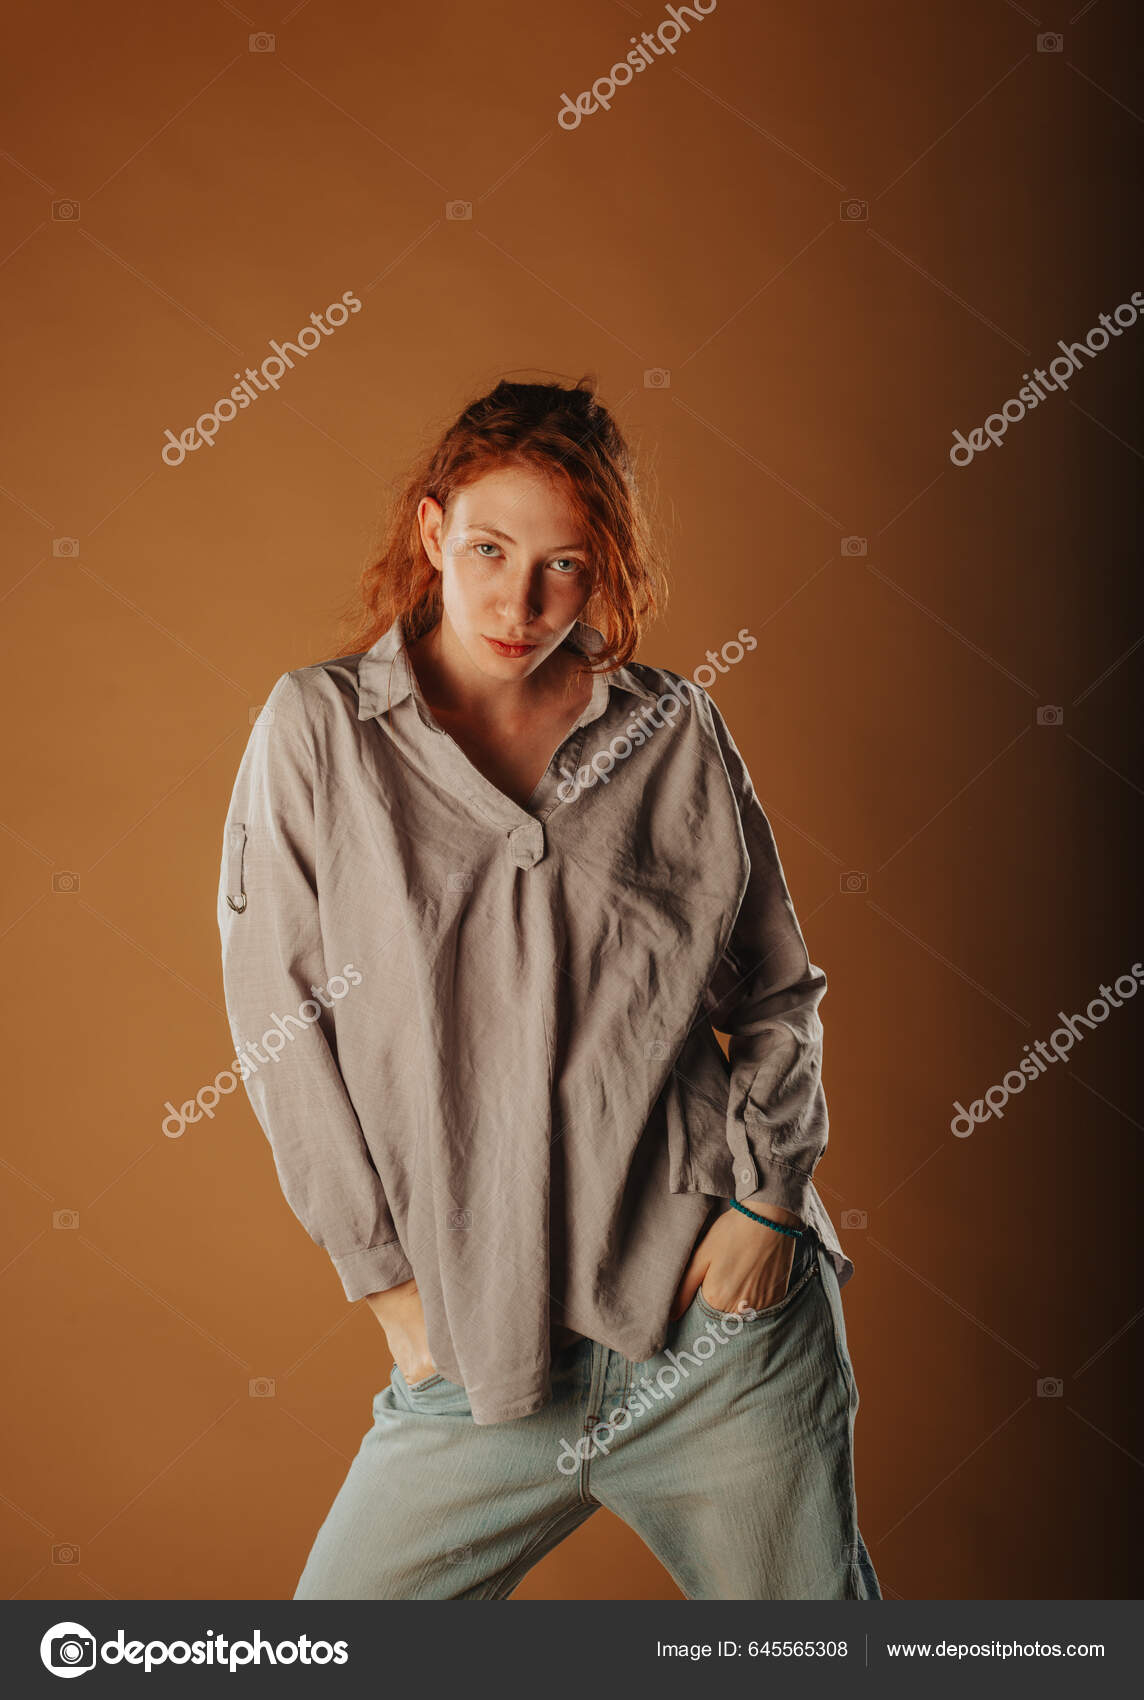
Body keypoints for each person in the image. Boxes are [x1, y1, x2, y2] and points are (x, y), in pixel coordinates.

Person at [217, 377, 881, 1601]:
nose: (517, 601)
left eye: (562, 565)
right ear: (431, 532)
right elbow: (278, 1023)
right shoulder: (318, 733)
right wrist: (386, 1279)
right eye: (486, 549)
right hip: (478, 1349)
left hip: (714, 1335)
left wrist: (771, 1206)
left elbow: (778, 987)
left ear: (602, 570)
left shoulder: (673, 728)